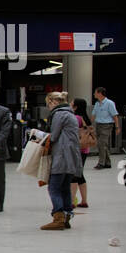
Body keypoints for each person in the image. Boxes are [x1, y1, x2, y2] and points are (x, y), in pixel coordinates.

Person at [41, 92, 82, 231]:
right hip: (71, 157)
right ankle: (66, 217)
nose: (48, 107)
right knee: (65, 188)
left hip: (61, 156)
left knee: (54, 187)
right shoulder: (70, 114)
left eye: (48, 104)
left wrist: (39, 136)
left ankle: (58, 217)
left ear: (53, 102)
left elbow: (53, 136)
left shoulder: (59, 114)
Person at [91, 87, 118, 169]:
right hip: (98, 125)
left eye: (95, 92)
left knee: (101, 143)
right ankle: (107, 162)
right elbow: (93, 115)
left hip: (107, 125)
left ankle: (101, 163)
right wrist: (90, 125)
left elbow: (114, 115)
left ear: (100, 93)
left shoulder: (110, 103)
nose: (94, 94)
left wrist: (117, 126)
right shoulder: (97, 104)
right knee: (103, 144)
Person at [71, 98, 91, 209]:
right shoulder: (85, 118)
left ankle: (71, 200)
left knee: (74, 175)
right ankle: (84, 200)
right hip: (85, 149)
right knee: (80, 175)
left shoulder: (76, 118)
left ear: (76, 106)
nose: (70, 104)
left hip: (77, 149)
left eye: (72, 103)